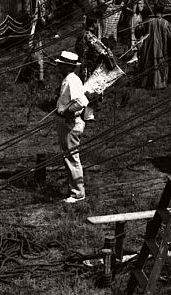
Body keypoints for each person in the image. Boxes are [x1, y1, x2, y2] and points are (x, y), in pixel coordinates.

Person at [54, 50, 88, 203]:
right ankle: (74, 188)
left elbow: (81, 102)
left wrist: (68, 111)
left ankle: (78, 193)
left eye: (60, 65)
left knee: (72, 157)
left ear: (67, 66)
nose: (58, 67)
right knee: (68, 155)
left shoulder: (71, 80)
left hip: (71, 122)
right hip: (66, 120)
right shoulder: (69, 78)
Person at [75, 17, 116, 122]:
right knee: (91, 90)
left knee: (82, 89)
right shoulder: (90, 37)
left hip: (82, 66)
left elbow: (76, 48)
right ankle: (88, 115)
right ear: (94, 24)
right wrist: (109, 55)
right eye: (97, 23)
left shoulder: (81, 35)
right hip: (91, 67)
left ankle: (79, 112)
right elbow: (102, 50)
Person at [136, 3, 171, 89]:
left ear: (155, 10)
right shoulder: (165, 23)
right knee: (159, 62)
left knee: (148, 62)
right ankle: (159, 83)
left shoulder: (148, 21)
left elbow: (139, 31)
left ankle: (147, 83)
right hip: (160, 47)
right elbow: (170, 34)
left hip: (149, 48)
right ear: (162, 11)